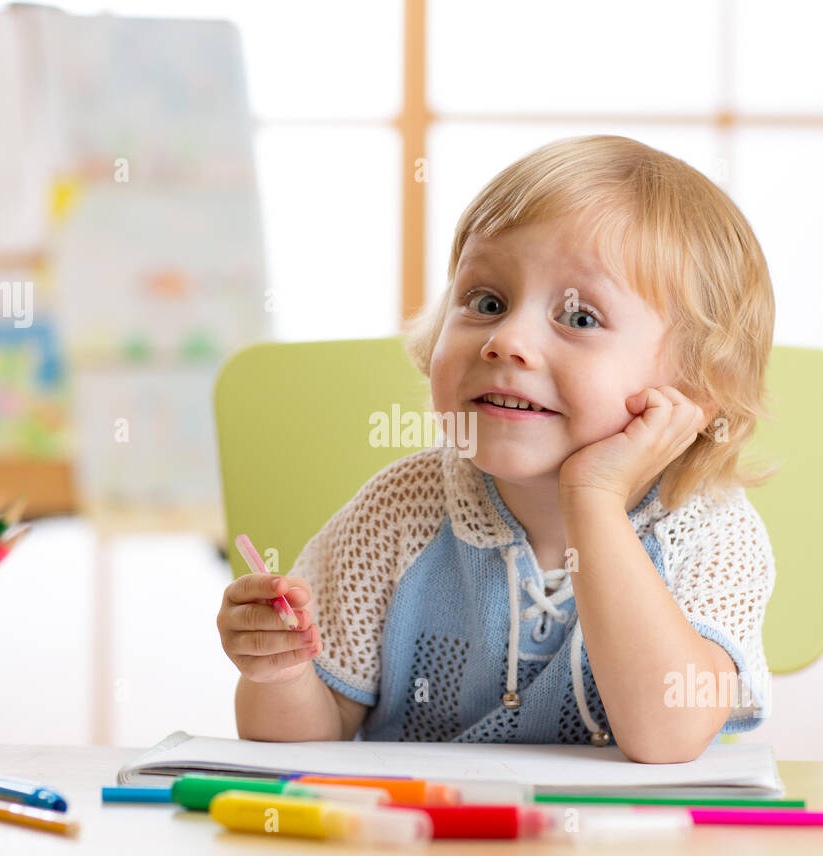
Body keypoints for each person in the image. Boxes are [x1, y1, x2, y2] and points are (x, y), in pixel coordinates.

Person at [220, 135, 778, 762]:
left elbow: (667, 736)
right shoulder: (398, 512)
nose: (507, 339)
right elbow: (308, 737)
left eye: (580, 317)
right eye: (487, 302)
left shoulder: (709, 530)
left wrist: (593, 500)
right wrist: (280, 673)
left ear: (694, 392)